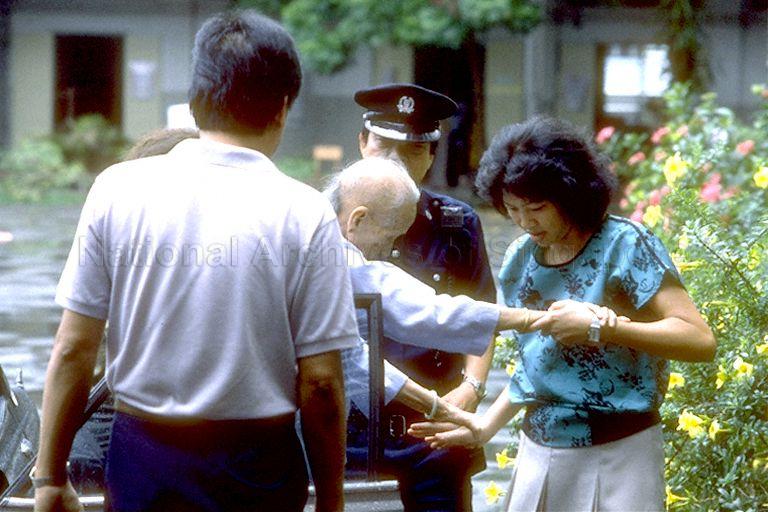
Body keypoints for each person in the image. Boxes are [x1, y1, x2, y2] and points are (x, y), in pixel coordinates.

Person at [35, 11, 358, 512]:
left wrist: (50, 479)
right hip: (259, 465)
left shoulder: (117, 188)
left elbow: (74, 348)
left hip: (143, 458)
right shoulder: (305, 212)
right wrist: (332, 501)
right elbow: (320, 383)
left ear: (195, 100)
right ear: (283, 107)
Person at [410, 116, 716, 511]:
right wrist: (487, 426)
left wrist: (603, 329)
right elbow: (537, 362)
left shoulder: (625, 245)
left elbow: (699, 339)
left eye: (536, 208)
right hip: (539, 446)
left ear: (570, 195)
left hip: (619, 449)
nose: (523, 222)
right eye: (512, 209)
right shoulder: (523, 259)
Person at [354, 82, 497, 511]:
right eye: (385, 146)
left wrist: (472, 388)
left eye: (412, 150)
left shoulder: (456, 225)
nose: (397, 162)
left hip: (435, 432)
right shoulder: (326, 219)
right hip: (352, 433)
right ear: (362, 144)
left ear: (431, 156)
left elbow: (483, 315)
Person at [324, 158, 548, 428]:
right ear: (357, 219)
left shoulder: (315, 230)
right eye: (390, 237)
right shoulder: (335, 258)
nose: (389, 250)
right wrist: (532, 319)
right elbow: (426, 313)